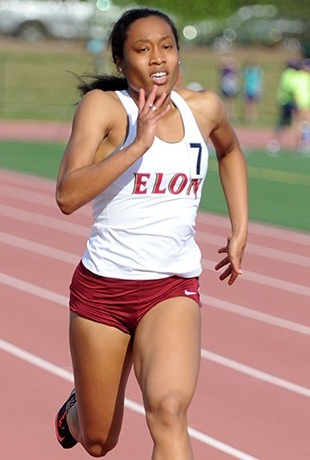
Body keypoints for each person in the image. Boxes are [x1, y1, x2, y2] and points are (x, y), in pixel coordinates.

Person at [53, 8, 248, 458]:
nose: (158, 58)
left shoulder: (204, 108)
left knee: (169, 410)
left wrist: (240, 228)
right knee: (100, 440)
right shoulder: (104, 108)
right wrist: (138, 144)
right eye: (143, 50)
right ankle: (78, 409)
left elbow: (231, 151)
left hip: (171, 287)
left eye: (167, 47)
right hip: (104, 288)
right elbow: (66, 195)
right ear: (121, 63)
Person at [241, 59, 263, 125]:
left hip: (254, 90)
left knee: (253, 105)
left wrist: (260, 89)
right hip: (248, 89)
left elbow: (260, 81)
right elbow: (243, 76)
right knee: (247, 105)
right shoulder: (247, 71)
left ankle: (253, 118)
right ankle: (247, 118)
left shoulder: (258, 71)